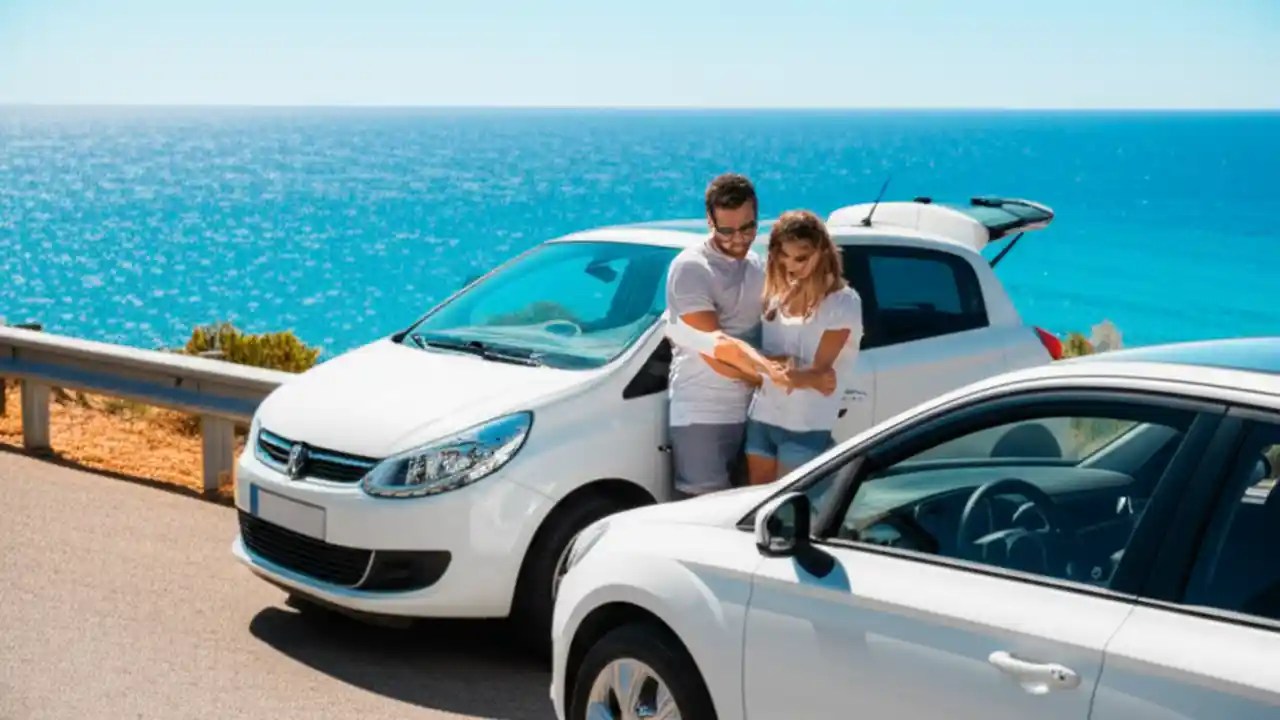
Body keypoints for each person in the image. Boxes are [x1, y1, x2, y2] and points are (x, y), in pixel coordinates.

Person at [662, 173, 783, 500]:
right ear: (709, 221)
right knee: (703, 515)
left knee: (754, 512)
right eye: (726, 230)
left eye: (748, 228)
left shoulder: (757, 265)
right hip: (703, 413)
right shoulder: (691, 268)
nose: (738, 239)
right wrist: (776, 377)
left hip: (755, 414)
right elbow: (715, 349)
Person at [742, 209, 864, 485]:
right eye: (782, 256)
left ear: (822, 250)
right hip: (761, 418)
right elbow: (799, 374)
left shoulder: (842, 303)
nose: (790, 265)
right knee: (754, 506)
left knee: (790, 513)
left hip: (805, 424)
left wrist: (763, 366)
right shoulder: (776, 296)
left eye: (800, 257)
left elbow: (821, 378)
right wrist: (777, 368)